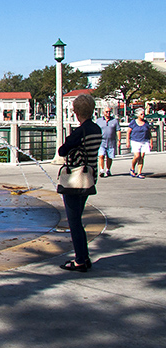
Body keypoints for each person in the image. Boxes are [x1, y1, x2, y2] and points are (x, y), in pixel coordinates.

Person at [57, 94, 102, 272]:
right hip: (89, 176)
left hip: (75, 181)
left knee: (74, 221)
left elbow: (62, 151)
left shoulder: (80, 132)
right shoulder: (96, 129)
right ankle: (83, 256)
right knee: (78, 218)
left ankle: (80, 260)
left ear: (76, 112)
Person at [127, 108, 152, 179]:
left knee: (142, 156)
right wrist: (127, 141)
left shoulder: (146, 123)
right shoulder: (133, 122)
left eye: (143, 114)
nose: (143, 115)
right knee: (137, 156)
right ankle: (132, 168)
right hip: (135, 141)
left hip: (144, 140)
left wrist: (151, 142)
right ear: (138, 115)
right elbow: (128, 132)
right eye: (141, 114)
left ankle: (139, 172)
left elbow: (149, 132)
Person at [97, 106, 121, 177]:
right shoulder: (99, 121)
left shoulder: (115, 121)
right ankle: (101, 170)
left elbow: (118, 130)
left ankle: (108, 169)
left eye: (109, 112)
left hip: (111, 142)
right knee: (101, 155)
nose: (108, 113)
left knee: (109, 157)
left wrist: (119, 140)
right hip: (101, 141)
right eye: (106, 112)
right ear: (103, 112)